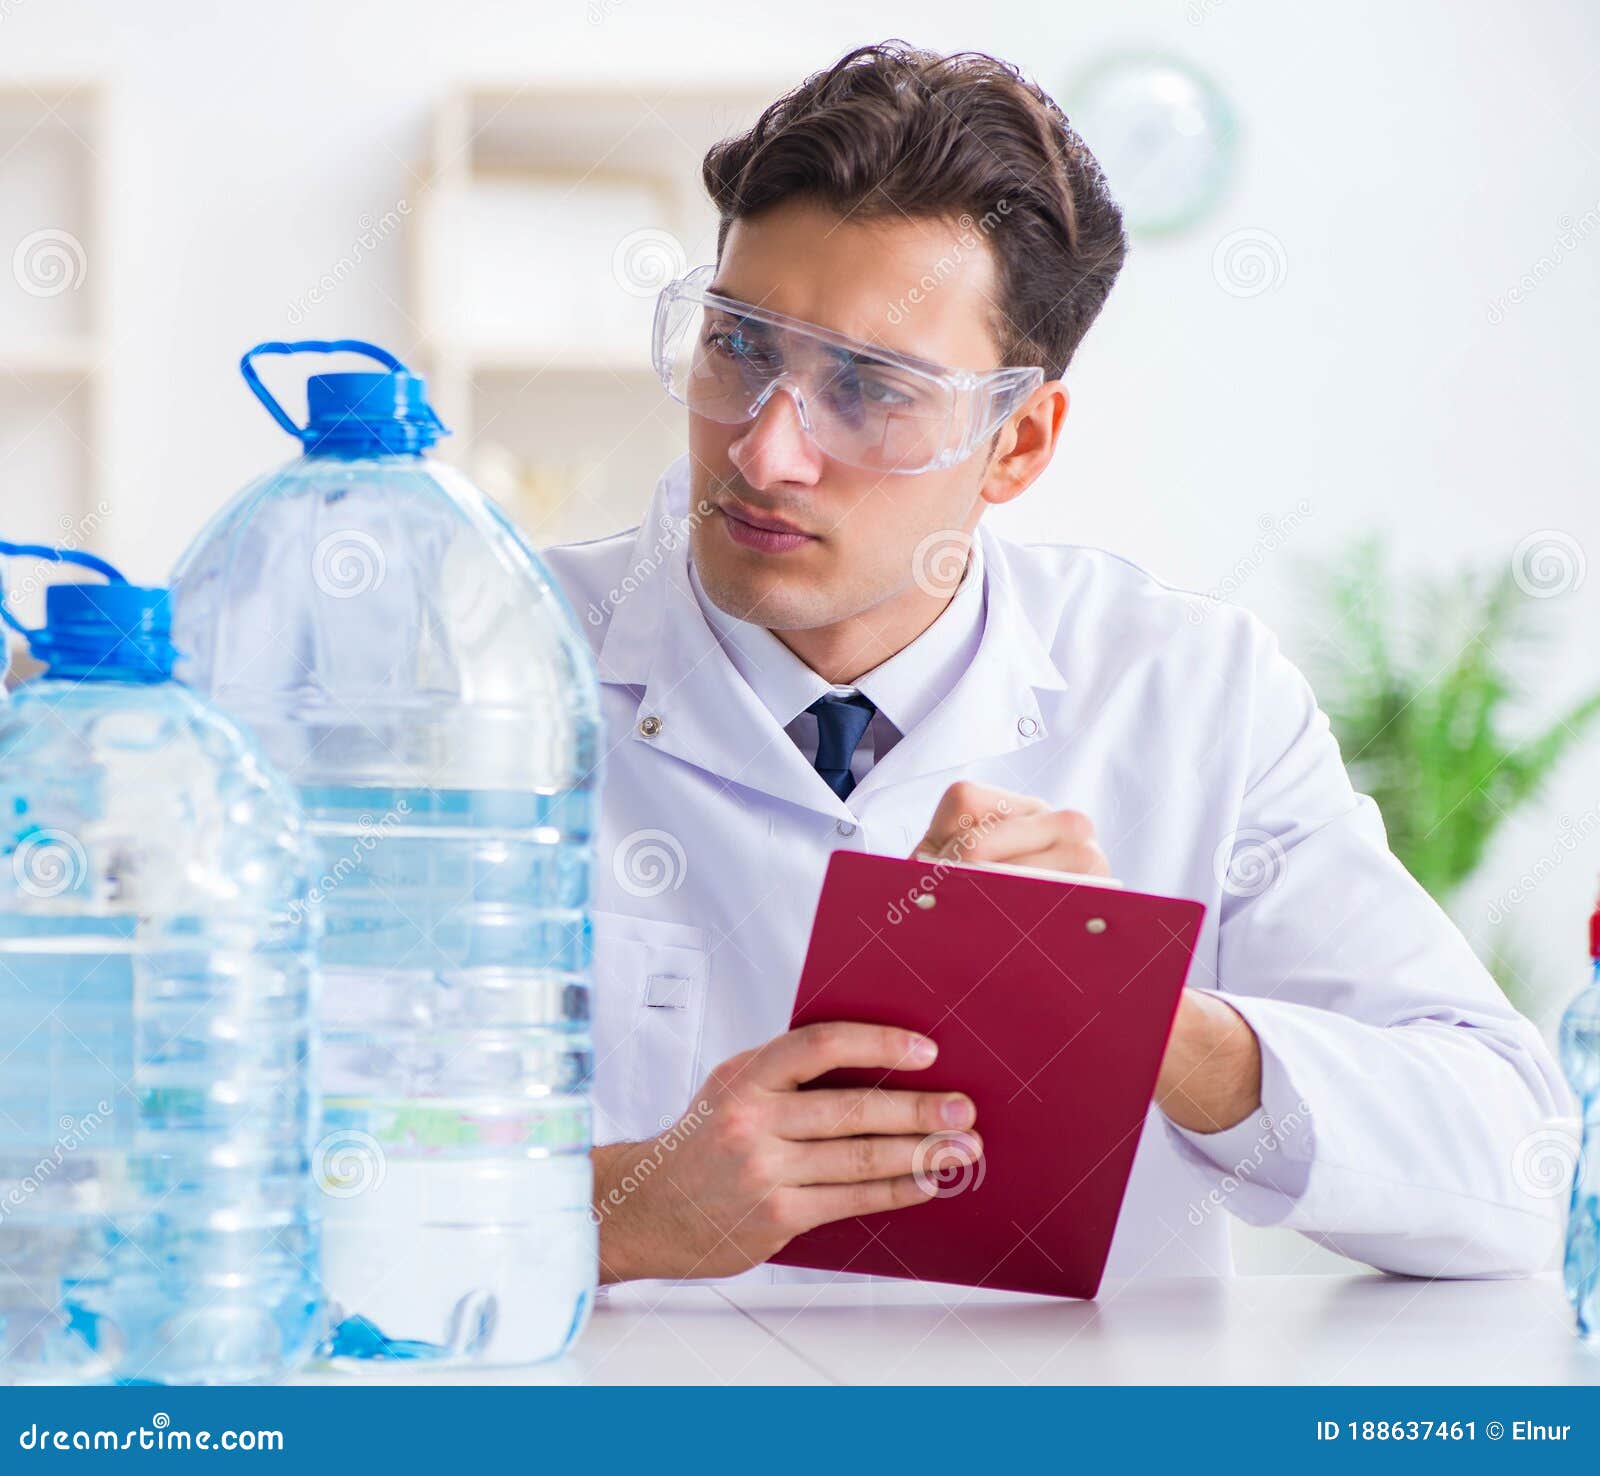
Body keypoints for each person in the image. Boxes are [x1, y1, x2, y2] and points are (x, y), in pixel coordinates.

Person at [543, 40, 1566, 1287]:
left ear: (1017, 442)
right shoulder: (495, 667)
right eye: (741, 348)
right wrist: (622, 1214)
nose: (766, 454)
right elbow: (282, 1158)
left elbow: (1515, 1167)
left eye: (869, 388)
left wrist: (1139, 1014)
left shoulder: (1189, 692)